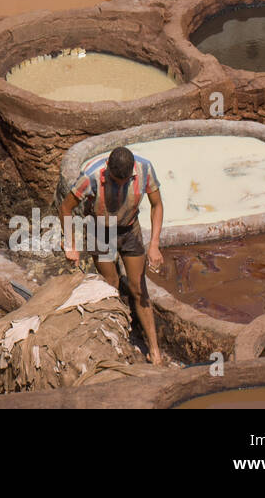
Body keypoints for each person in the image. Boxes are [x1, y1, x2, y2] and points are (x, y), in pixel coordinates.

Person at [59, 145, 165, 365]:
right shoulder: (91, 176)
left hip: (129, 228)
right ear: (108, 169)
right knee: (112, 283)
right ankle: (117, 338)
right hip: (101, 230)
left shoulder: (144, 169)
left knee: (138, 288)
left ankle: (154, 351)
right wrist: (70, 244)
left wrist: (154, 244)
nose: (120, 185)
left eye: (125, 182)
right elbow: (66, 208)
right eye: (116, 181)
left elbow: (157, 204)